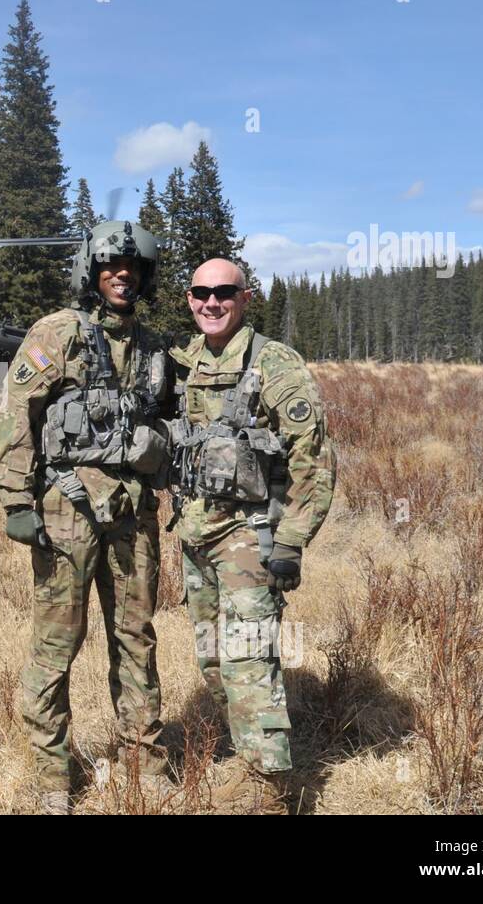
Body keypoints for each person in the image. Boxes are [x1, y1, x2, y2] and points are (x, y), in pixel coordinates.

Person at [0, 221, 174, 814]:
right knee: (57, 642)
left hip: (133, 516)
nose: (123, 276)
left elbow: (174, 420)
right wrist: (16, 500)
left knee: (136, 640)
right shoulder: (58, 332)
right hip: (66, 512)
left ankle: (143, 762)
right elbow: (19, 409)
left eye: (133, 269)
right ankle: (52, 778)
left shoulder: (152, 346)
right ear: (92, 273)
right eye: (111, 267)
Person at [167, 258, 336, 814]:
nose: (210, 303)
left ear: (245, 297)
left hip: (248, 533)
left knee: (247, 657)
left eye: (223, 293)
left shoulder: (273, 363)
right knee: (212, 658)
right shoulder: (183, 361)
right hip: (196, 534)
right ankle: (247, 755)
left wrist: (290, 542)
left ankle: (272, 789)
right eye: (200, 292)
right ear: (189, 298)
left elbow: (313, 459)